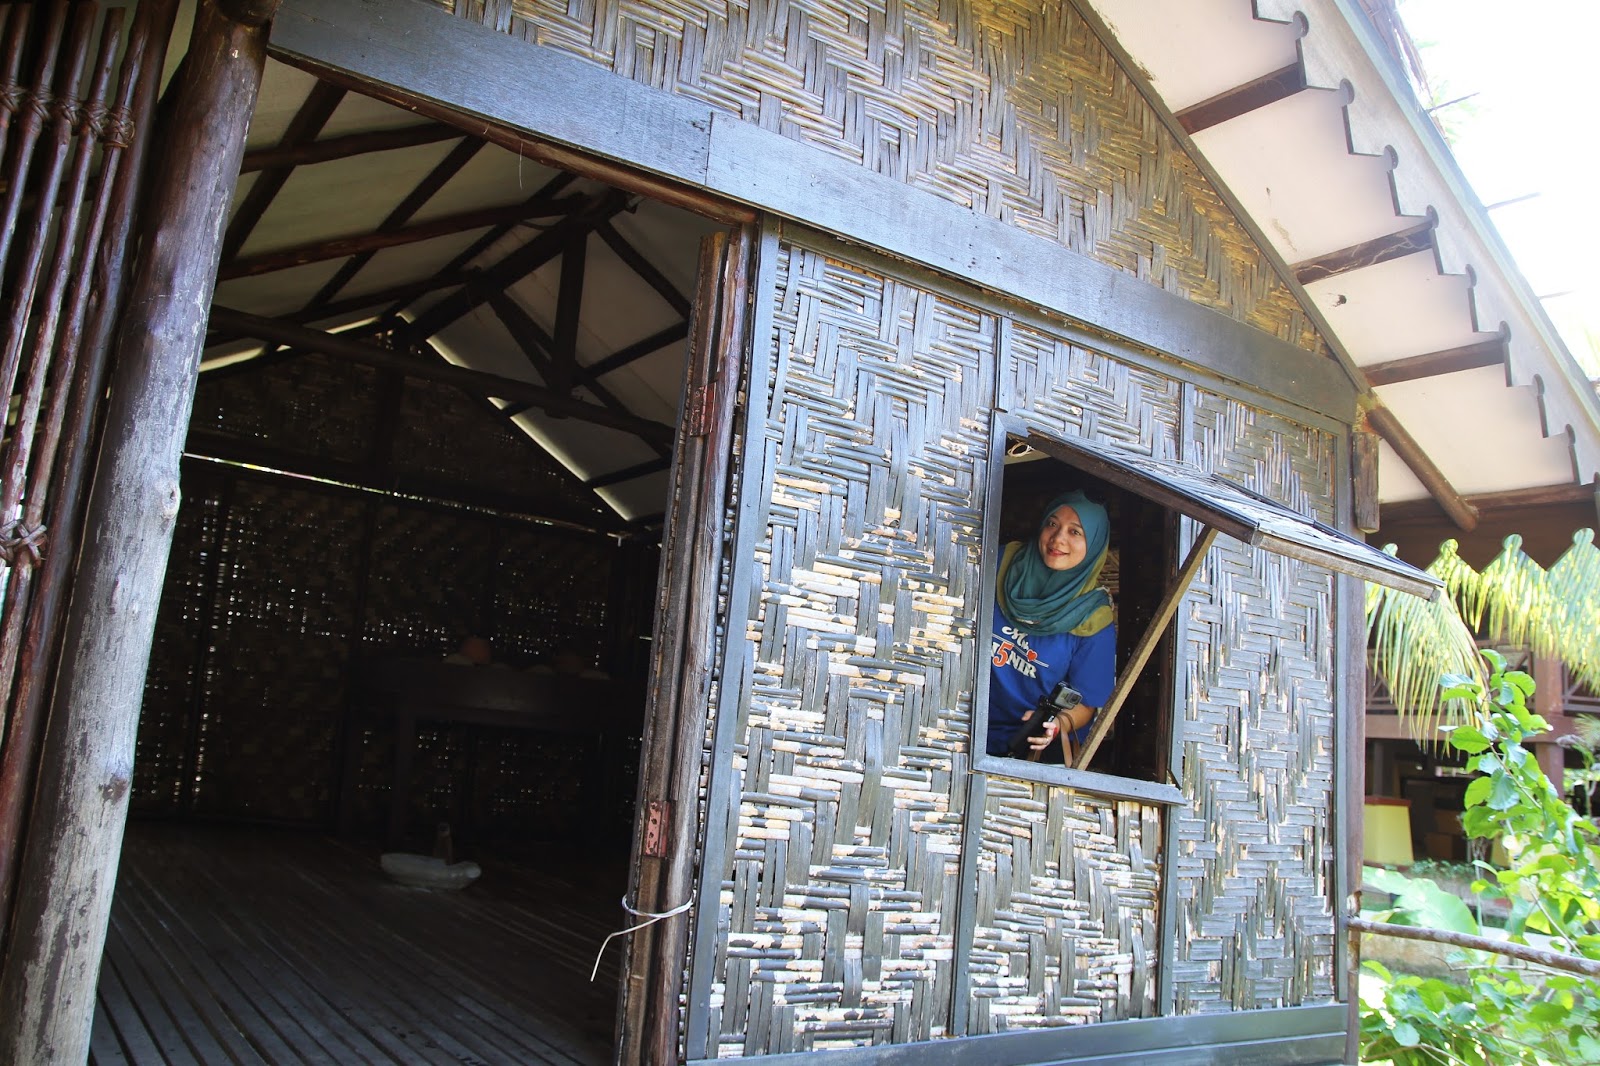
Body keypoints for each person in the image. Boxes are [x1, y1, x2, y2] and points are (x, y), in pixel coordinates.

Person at [987, 490, 1117, 762]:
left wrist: (1056, 725)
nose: (1058, 539)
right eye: (1053, 524)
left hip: (1024, 748)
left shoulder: (1093, 620)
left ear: (1093, 544)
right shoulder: (1000, 565)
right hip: (959, 719)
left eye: (1075, 532)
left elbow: (1087, 704)